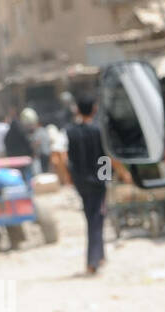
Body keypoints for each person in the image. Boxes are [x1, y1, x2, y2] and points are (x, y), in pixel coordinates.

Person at [66, 94, 108, 274]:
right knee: (96, 220)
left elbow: (68, 159)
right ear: (94, 109)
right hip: (97, 183)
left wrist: (71, 179)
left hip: (81, 183)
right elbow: (103, 156)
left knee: (92, 218)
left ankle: (99, 256)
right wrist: (105, 179)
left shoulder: (71, 131)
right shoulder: (97, 131)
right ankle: (93, 261)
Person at [5, 108, 36, 184]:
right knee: (28, 178)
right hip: (24, 160)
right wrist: (31, 153)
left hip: (14, 160)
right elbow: (27, 143)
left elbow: (6, 143)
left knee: (17, 179)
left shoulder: (9, 134)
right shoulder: (21, 132)